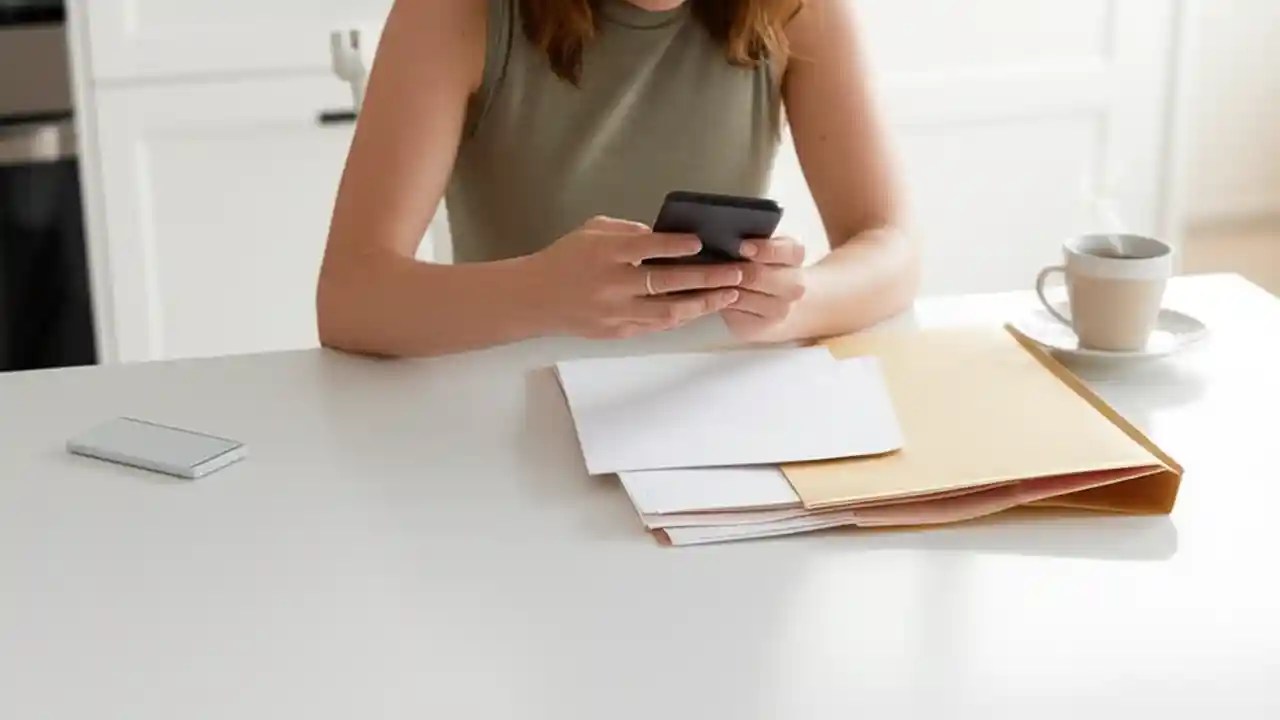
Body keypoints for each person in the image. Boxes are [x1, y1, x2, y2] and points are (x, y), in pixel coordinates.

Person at [317, 0, 918, 357]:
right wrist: (539, 293)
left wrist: (798, 304)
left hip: (709, 405)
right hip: (511, 399)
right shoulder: (454, 13)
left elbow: (893, 245)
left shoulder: (794, 9)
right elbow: (349, 299)